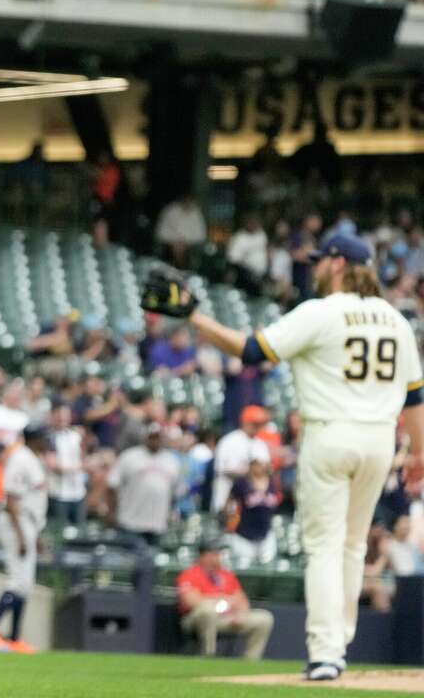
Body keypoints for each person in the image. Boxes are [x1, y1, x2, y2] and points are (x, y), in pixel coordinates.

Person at [142, 230, 424, 681]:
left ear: (337, 263)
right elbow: (414, 399)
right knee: (352, 547)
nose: (314, 267)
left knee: (324, 547)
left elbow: (251, 350)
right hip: (378, 441)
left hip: (331, 433)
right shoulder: (395, 320)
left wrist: (195, 316)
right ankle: (340, 641)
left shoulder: (321, 311)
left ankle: (326, 653)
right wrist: (420, 454)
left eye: (320, 260)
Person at [0, 426, 48, 655]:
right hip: (17, 522)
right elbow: (12, 501)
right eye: (44, 438)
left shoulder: (32, 458)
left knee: (25, 585)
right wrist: (22, 536)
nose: (47, 442)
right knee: (18, 581)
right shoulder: (21, 458)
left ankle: (15, 639)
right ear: (34, 439)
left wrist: (35, 535)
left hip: (28, 523)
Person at [176, 540, 275, 660]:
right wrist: (219, 599)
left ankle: (251, 661)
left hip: (227, 618)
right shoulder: (190, 574)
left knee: (264, 618)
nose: (218, 557)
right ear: (204, 555)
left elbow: (242, 600)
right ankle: (208, 655)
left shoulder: (226, 575)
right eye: (215, 553)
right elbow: (191, 601)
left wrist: (239, 615)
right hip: (196, 619)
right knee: (208, 611)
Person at [108, 425, 182, 547]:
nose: (155, 440)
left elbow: (176, 492)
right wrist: (112, 512)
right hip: (130, 523)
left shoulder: (172, 461)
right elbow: (112, 485)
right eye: (152, 437)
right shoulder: (129, 456)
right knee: (128, 557)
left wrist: (170, 513)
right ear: (146, 437)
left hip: (158, 525)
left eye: (158, 437)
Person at [212, 405, 273, 512]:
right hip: (228, 502)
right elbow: (221, 468)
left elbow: (268, 470)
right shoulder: (229, 441)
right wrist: (250, 470)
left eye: (260, 424)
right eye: (254, 423)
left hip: (254, 504)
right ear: (245, 422)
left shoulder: (260, 444)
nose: (258, 427)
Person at [225, 458, 280, 566]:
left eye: (260, 464)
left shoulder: (272, 483)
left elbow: (275, 505)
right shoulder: (241, 483)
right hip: (244, 534)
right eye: (255, 464)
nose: (258, 467)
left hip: (266, 533)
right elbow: (229, 502)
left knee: (267, 565)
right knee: (244, 565)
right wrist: (230, 515)